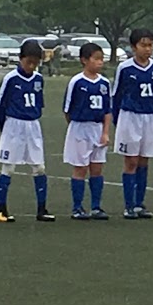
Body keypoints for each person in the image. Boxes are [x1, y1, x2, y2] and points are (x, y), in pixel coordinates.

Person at [0, 38, 55, 223]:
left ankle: (42, 209)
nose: (31, 66)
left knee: (39, 167)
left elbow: (39, 103)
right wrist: (4, 128)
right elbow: (0, 105)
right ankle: (1, 210)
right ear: (21, 59)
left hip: (33, 125)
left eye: (35, 63)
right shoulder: (11, 78)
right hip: (14, 125)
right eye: (29, 62)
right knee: (8, 167)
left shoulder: (38, 79)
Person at [113, 29, 153, 219]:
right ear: (134, 47)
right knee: (131, 160)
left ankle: (140, 203)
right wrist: (118, 121)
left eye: (150, 45)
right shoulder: (125, 68)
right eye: (143, 45)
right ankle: (129, 205)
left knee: (144, 159)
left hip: (149, 117)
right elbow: (116, 95)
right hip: (130, 116)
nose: (147, 49)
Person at [62, 42, 112, 221]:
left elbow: (107, 110)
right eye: (96, 59)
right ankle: (77, 207)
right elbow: (67, 110)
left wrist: (105, 132)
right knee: (80, 168)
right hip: (80, 128)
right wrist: (76, 128)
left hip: (97, 128)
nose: (100, 62)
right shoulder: (76, 82)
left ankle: (96, 207)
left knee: (97, 168)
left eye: (101, 59)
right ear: (84, 60)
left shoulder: (104, 83)